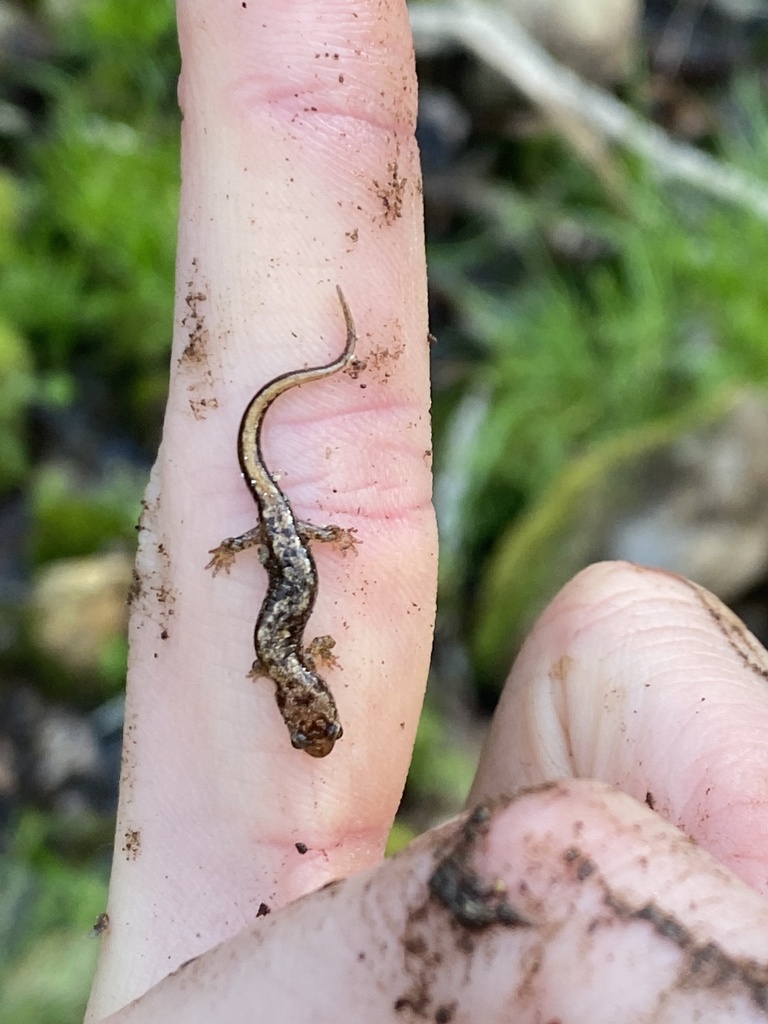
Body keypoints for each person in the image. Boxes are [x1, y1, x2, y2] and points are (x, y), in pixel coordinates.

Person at [85, 2, 768, 1021]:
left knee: (284, 545)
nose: (312, 713)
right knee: (282, 540)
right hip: (284, 539)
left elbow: (281, 631)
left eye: (310, 717)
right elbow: (281, 633)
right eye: (316, 718)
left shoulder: (282, 658)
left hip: (286, 542)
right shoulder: (281, 662)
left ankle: (283, 475)